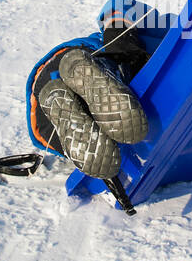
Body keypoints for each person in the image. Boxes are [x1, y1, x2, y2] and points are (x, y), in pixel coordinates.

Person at [26, 11, 150, 183]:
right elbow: (119, 10)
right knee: (107, 68)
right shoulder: (174, 26)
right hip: (83, 60)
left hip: (43, 120)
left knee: (105, 105)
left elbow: (120, 8)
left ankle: (61, 99)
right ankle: (75, 91)